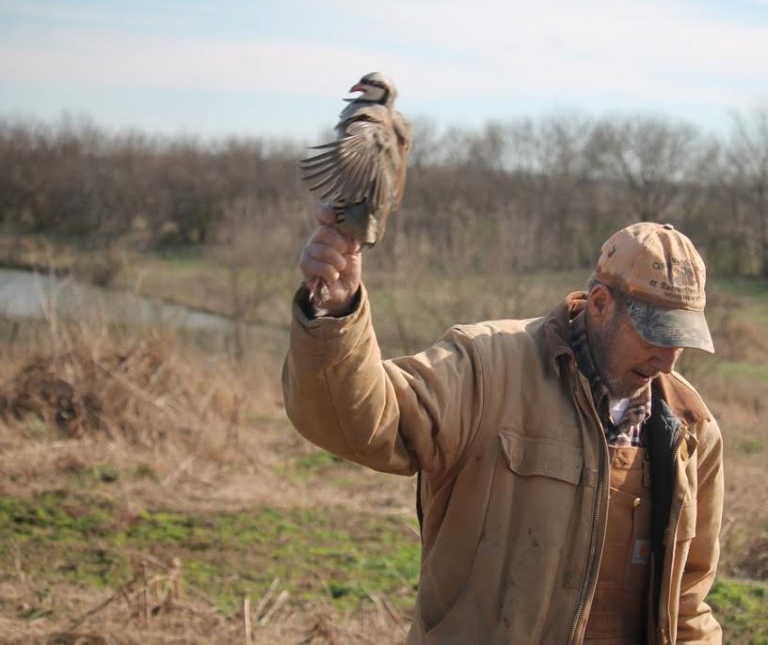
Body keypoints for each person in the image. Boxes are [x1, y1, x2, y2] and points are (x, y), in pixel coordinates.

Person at [284, 211, 725, 645]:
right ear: (600, 305)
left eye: (680, 341)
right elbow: (366, 422)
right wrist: (336, 311)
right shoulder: (486, 367)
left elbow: (686, 602)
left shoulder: (690, 432)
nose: (668, 360)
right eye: (654, 335)